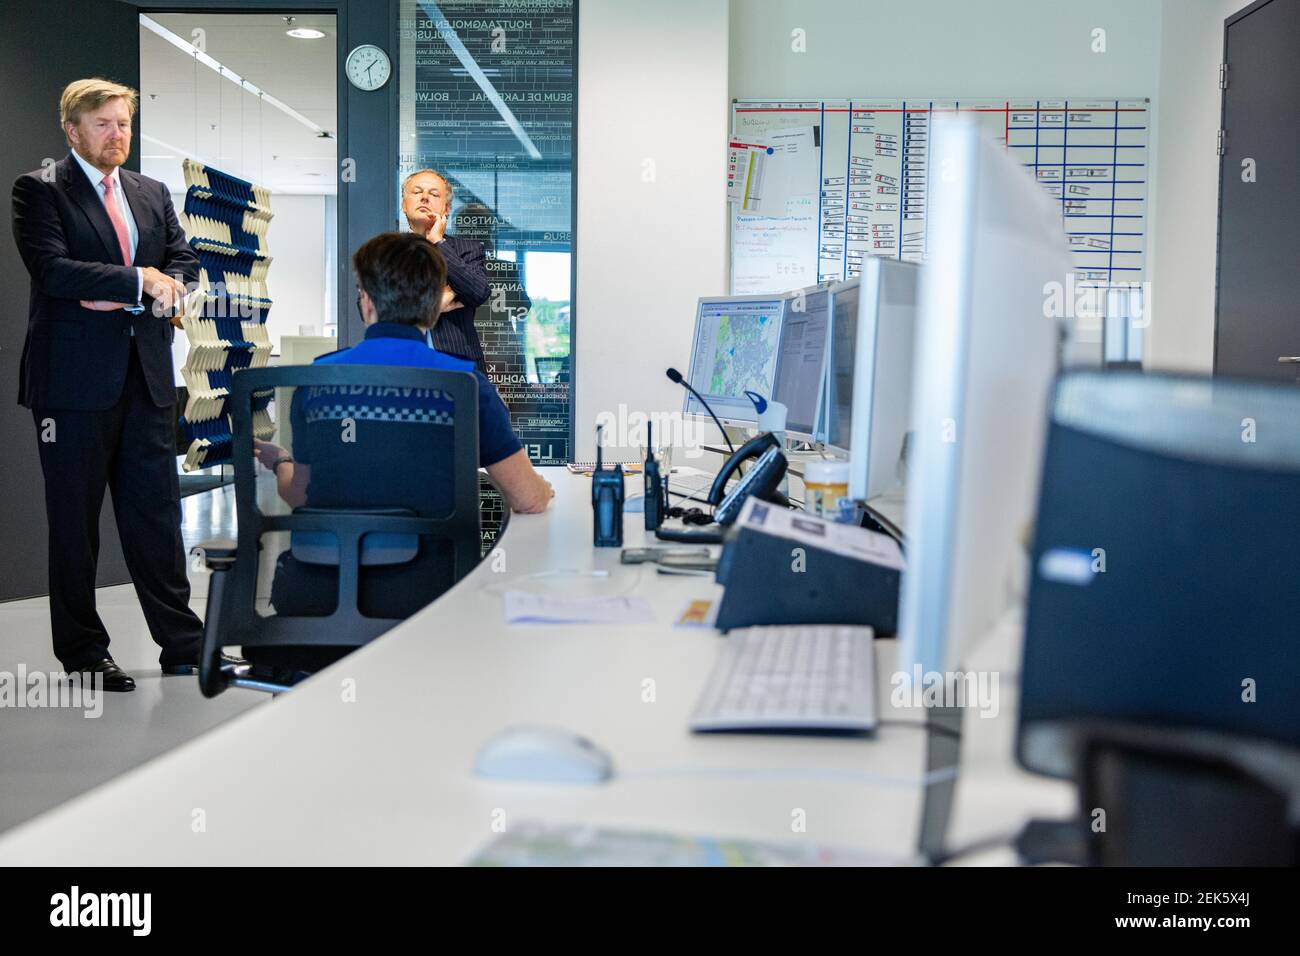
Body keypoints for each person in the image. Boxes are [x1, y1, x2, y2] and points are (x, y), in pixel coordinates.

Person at [245, 232, 553, 683]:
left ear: (366, 302)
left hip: (315, 598)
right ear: (434, 309)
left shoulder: (317, 379)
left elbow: (300, 494)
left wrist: (280, 462)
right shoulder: (465, 383)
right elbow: (527, 499)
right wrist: (545, 486)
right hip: (430, 598)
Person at [11, 78, 213, 692]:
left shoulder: (150, 192)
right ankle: (82, 652)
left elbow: (185, 260)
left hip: (147, 379)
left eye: (123, 123)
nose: (116, 134)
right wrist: (138, 282)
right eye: (103, 124)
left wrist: (168, 284)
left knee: (156, 517)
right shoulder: (40, 189)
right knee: (75, 522)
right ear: (72, 131)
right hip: (71, 387)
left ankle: (183, 643)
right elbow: (52, 270)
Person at [400, 169, 491, 371]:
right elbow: (371, 308)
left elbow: (478, 292)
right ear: (404, 205)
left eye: (434, 194)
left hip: (457, 367)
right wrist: (438, 302)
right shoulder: (387, 251)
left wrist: (438, 243)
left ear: (447, 208)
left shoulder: (468, 249)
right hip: (402, 364)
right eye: (416, 192)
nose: (424, 197)